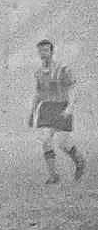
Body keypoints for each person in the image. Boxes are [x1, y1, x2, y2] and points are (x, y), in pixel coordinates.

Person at [30, 40, 86, 184]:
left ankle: (79, 161)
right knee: (45, 140)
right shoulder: (39, 72)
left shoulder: (62, 69)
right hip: (46, 108)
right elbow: (38, 93)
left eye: (46, 50)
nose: (43, 54)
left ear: (51, 52)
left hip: (61, 106)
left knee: (62, 142)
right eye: (40, 51)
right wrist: (32, 112)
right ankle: (53, 175)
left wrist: (70, 108)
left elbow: (72, 88)